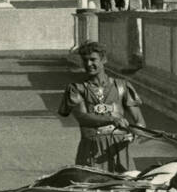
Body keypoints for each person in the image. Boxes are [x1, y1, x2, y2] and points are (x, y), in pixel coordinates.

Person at [58, 41, 145, 173]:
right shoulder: (77, 88)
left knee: (126, 189)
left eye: (93, 60)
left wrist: (134, 134)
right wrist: (112, 119)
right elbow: (82, 117)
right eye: (85, 60)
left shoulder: (122, 86)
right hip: (92, 150)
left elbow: (140, 122)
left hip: (120, 149)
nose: (88, 64)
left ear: (104, 59)